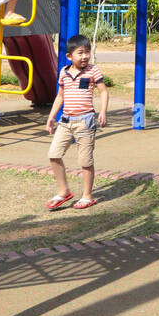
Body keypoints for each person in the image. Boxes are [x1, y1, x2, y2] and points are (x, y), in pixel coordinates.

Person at [45, 34, 109, 210]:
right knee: (54, 154)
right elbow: (60, 96)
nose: (84, 56)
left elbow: (103, 91)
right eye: (80, 53)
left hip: (85, 122)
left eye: (87, 52)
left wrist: (103, 111)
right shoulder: (64, 73)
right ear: (69, 56)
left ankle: (87, 196)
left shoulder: (93, 71)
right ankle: (64, 190)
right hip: (65, 122)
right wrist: (51, 117)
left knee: (85, 161)